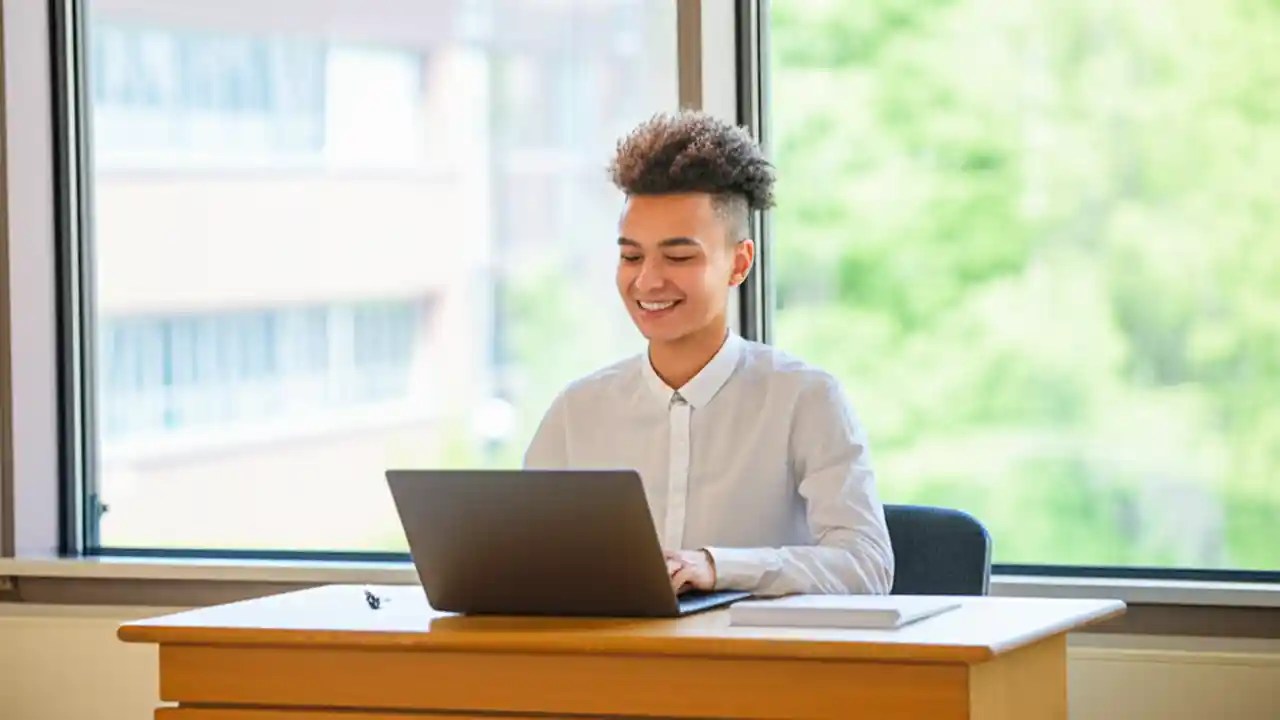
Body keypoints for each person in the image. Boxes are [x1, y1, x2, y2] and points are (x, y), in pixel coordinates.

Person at [523, 110, 893, 597]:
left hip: (753, 668)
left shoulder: (805, 398)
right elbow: (523, 563)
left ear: (738, 263)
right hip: (614, 668)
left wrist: (719, 567)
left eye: (678, 257)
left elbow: (865, 566)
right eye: (631, 256)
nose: (648, 280)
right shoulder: (577, 411)